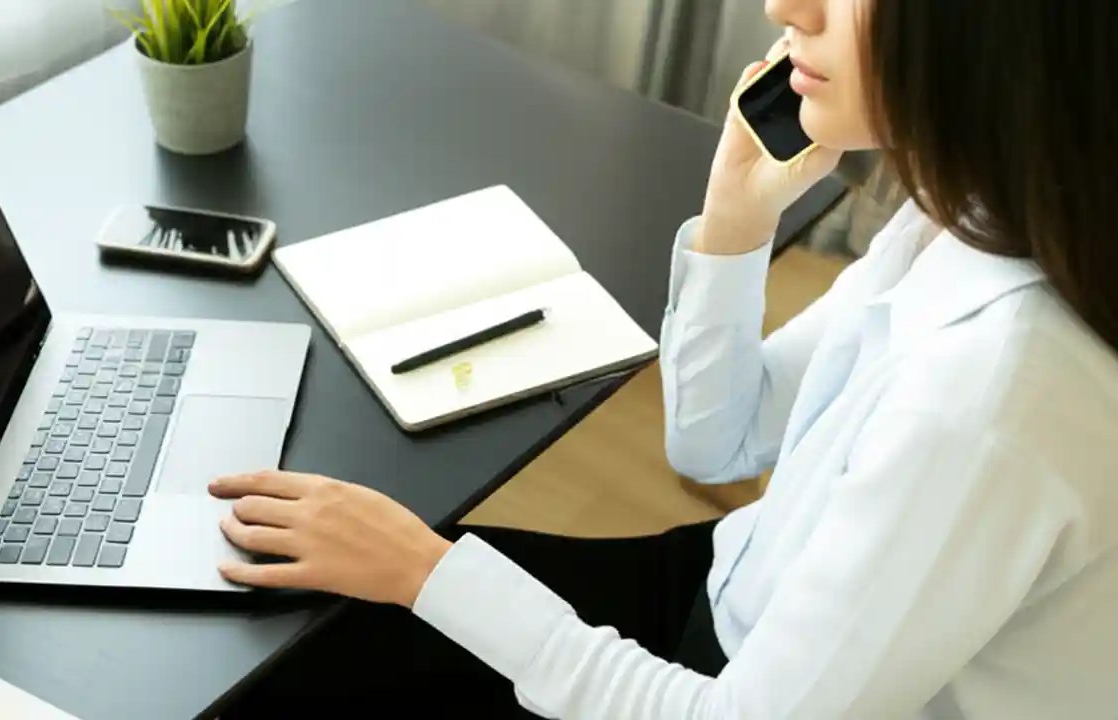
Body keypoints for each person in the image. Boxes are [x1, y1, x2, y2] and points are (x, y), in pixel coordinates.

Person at [219, 0, 1118, 716]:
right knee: (308, 628)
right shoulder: (955, 225)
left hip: (719, 680)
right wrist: (735, 217)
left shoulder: (988, 401)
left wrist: (422, 569)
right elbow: (713, 447)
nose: (785, 9)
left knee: (320, 646)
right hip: (728, 590)